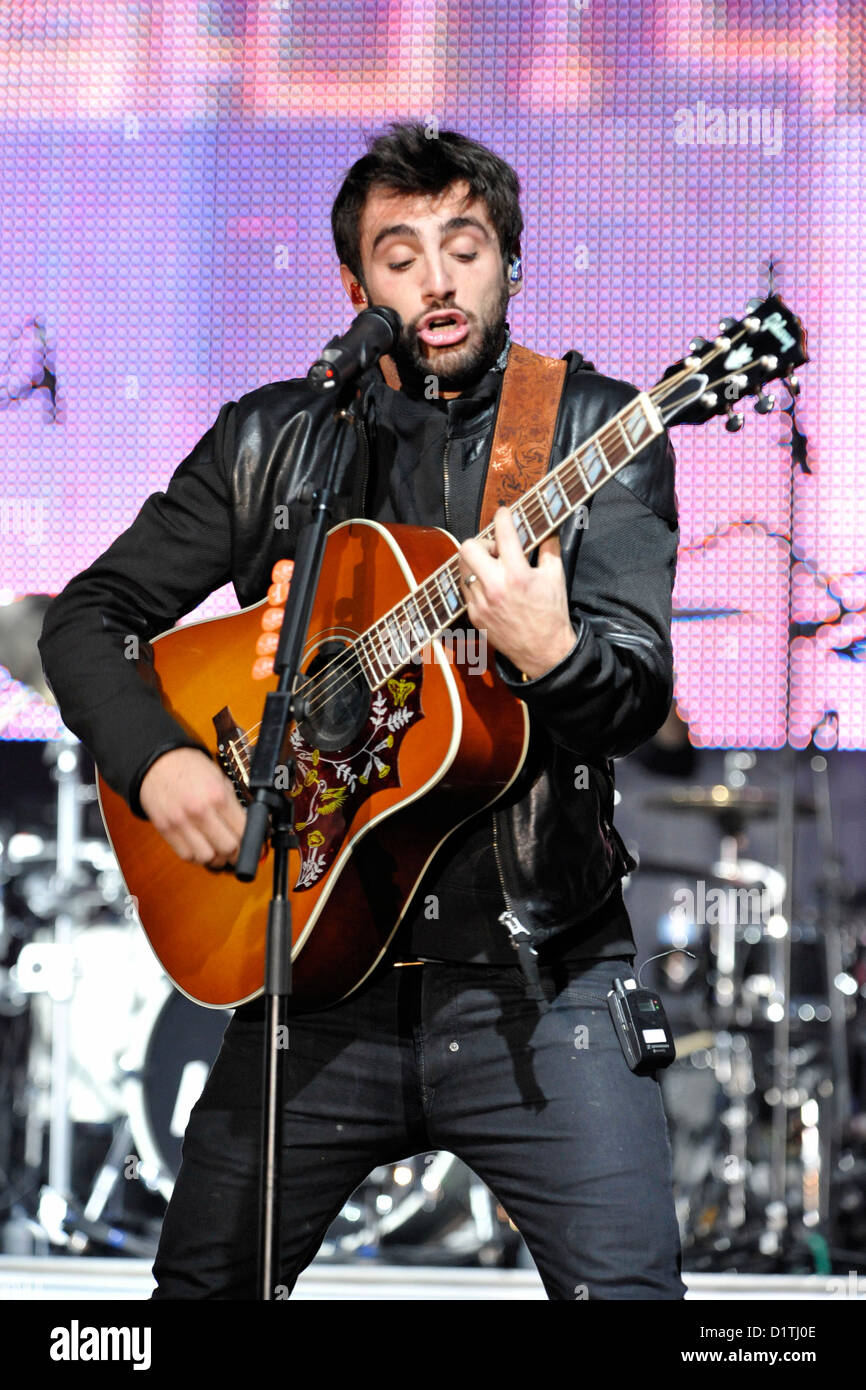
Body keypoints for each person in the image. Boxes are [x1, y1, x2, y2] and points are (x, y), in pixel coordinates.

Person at [38, 121, 685, 1300]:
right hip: (313, 974)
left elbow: (631, 690)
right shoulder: (275, 437)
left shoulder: (591, 429)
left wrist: (552, 655)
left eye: (465, 245)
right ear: (356, 285)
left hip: (539, 980)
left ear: (511, 265)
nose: (436, 278)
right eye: (400, 254)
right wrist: (158, 761)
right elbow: (90, 619)